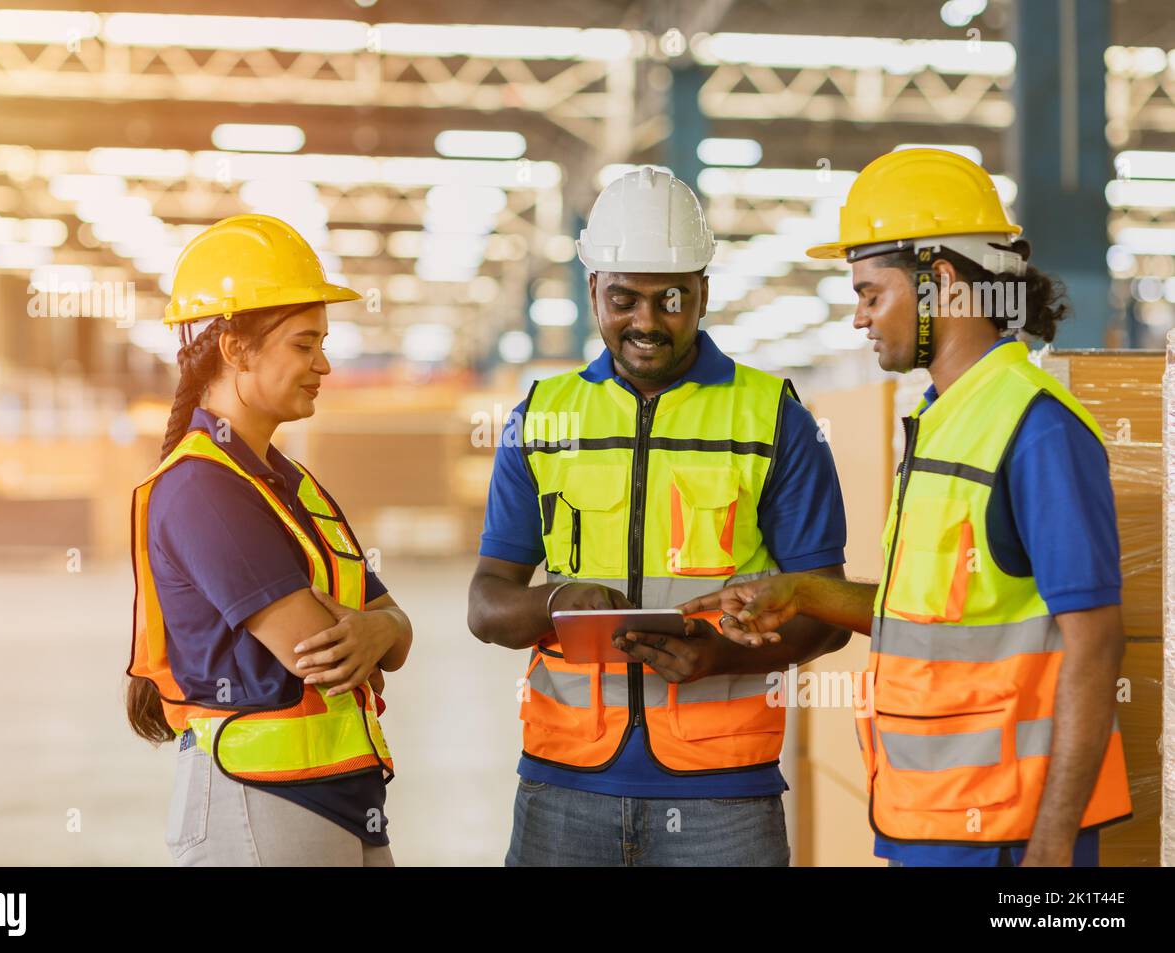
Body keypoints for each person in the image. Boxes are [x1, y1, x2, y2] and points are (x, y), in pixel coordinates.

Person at [683, 148, 1133, 866]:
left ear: (942, 284)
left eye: (872, 293)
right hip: (929, 823)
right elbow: (931, 620)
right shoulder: (943, 418)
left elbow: (1095, 642)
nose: (859, 318)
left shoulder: (1036, 428)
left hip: (1012, 839)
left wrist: (1051, 849)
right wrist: (800, 591)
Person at [468, 166, 851, 867]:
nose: (646, 322)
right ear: (593, 293)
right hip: (563, 787)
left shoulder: (776, 421)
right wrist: (557, 602)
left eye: (670, 298)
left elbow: (828, 614)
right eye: (624, 298)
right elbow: (487, 607)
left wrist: (722, 657)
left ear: (703, 292)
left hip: (725, 798)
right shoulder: (542, 418)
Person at [125, 214, 413, 866]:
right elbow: (317, 652)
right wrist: (379, 630)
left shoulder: (290, 483)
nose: (325, 365)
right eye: (304, 344)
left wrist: (380, 631)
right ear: (234, 350)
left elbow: (393, 633)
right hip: (257, 802)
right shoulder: (202, 489)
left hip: (341, 793)